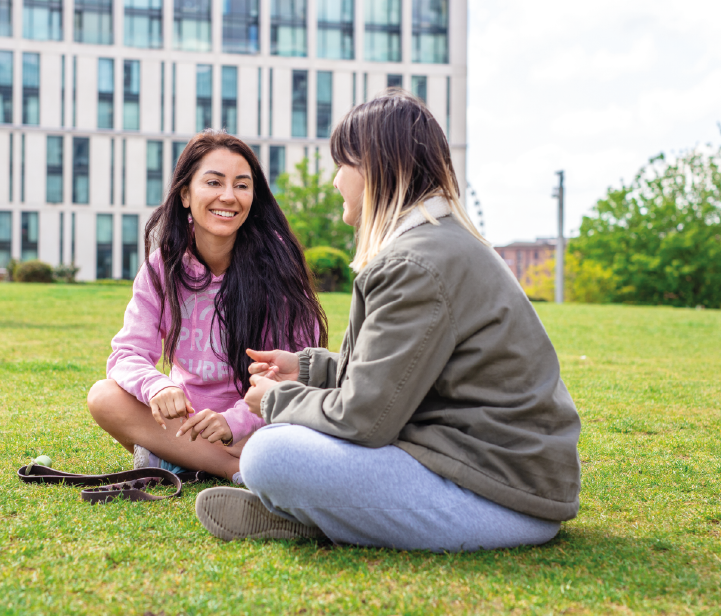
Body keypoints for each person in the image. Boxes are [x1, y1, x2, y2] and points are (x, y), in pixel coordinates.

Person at [194, 91, 583, 552]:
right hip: (503, 480)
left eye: (343, 165)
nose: (336, 180)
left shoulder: (415, 265)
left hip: (496, 497)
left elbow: (364, 419)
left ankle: (321, 517)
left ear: (376, 170)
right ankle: (330, 516)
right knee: (290, 440)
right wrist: (307, 369)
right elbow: (400, 373)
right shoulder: (436, 245)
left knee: (268, 453)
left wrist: (277, 398)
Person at [87, 131, 326, 484]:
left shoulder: (277, 266)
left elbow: (293, 376)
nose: (228, 197)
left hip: (257, 422)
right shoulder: (162, 267)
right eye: (214, 182)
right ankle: (233, 469)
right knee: (103, 396)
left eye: (242, 186)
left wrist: (234, 422)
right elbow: (127, 353)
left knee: (289, 434)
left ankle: (178, 460)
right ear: (185, 194)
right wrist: (159, 387)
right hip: (187, 423)